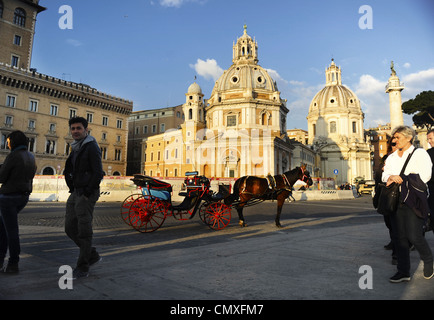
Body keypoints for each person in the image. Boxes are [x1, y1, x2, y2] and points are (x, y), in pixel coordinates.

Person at [382, 125, 434, 282]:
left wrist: (404, 179)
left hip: (414, 200)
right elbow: (385, 175)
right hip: (395, 200)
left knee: (414, 235)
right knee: (399, 237)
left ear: (408, 138)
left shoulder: (420, 153)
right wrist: (390, 177)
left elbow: (426, 175)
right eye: (394, 137)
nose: (395, 140)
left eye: (398, 137)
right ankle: (403, 271)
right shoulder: (391, 157)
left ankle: (428, 260)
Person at [64, 117, 103, 279]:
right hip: (76, 192)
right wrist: (73, 188)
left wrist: (87, 192)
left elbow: (98, 172)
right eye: (73, 128)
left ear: (86, 130)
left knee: (84, 231)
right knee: (69, 227)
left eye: (78, 128)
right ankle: (91, 254)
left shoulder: (91, 146)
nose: (75, 131)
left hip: (86, 193)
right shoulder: (77, 147)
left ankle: (83, 266)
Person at [0, 131, 36, 274]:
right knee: (3, 228)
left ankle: (13, 263)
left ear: (13, 141)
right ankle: (2, 258)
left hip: (8, 197)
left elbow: (2, 177)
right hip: (23, 196)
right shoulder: (30, 156)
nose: (7, 143)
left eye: (8, 141)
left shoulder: (13, 156)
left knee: (11, 231)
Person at [374, 137, 398, 263]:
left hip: (397, 193)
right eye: (392, 143)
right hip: (384, 192)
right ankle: (393, 242)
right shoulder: (386, 158)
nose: (394, 145)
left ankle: (397, 253)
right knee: (388, 221)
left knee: (398, 225)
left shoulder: (405, 158)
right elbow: (380, 175)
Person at [426, 129, 434, 232]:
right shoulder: (428, 153)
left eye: (431, 138)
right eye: (428, 139)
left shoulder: (428, 154)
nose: (429, 141)